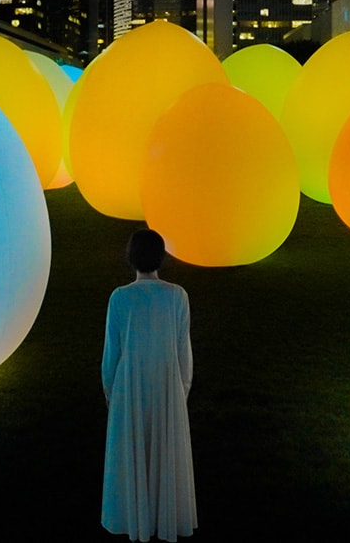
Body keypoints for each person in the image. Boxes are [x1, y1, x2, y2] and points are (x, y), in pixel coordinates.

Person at [101, 229, 197, 542]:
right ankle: (163, 516)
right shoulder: (177, 296)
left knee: (134, 448)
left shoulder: (120, 298)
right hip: (166, 382)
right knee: (164, 446)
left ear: (132, 258)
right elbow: (184, 352)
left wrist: (111, 393)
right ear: (161, 258)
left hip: (129, 385)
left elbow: (111, 354)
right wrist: (180, 391)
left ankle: (136, 517)